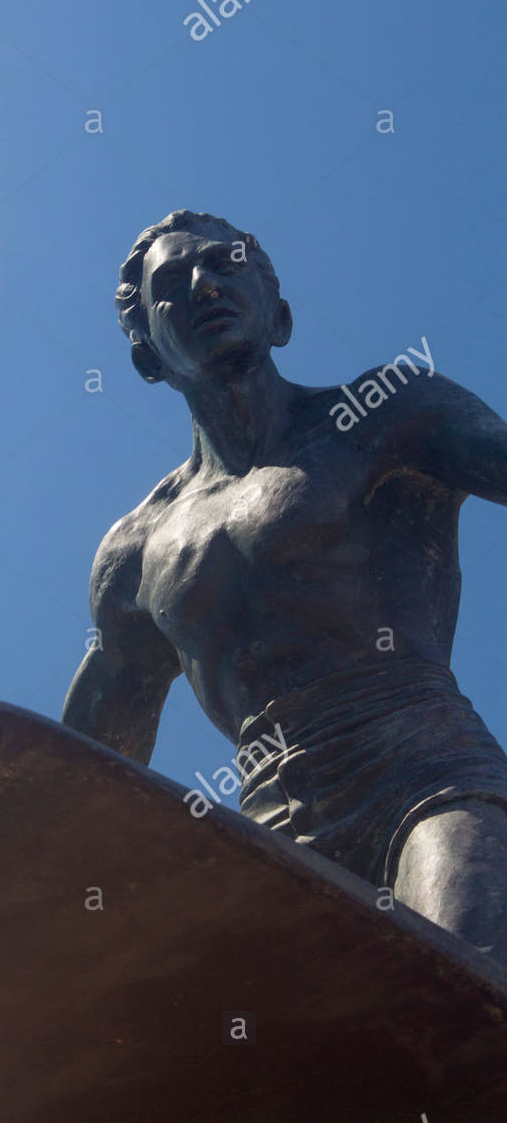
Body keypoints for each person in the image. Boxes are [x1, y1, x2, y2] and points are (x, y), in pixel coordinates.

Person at [62, 209, 507, 968]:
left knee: (464, 985)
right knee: (307, 1068)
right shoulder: (136, 552)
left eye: (226, 266)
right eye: (172, 283)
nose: (205, 285)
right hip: (277, 832)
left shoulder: (384, 416)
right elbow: (88, 759)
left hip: (426, 775)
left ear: (282, 318)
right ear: (145, 357)